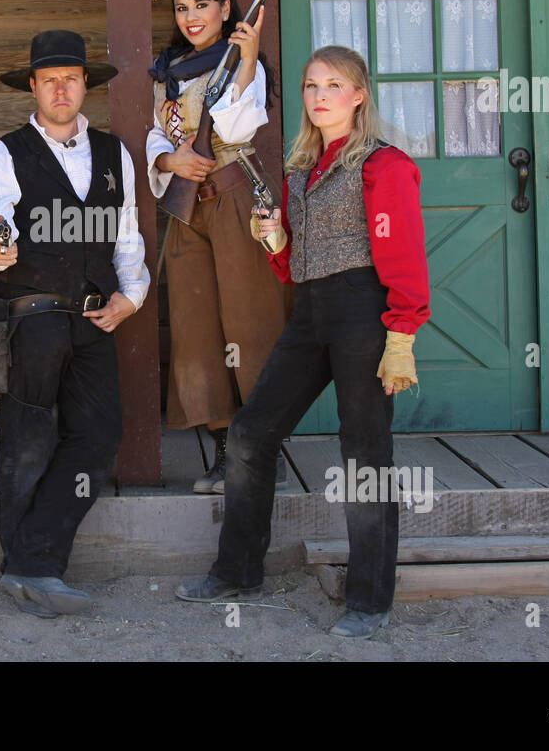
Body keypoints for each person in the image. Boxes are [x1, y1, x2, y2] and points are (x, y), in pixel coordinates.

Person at [175, 45, 431, 640]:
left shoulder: (384, 164)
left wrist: (402, 332)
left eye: (334, 85)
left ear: (359, 96)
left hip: (365, 312)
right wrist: (275, 240)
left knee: (364, 454)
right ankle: (238, 571)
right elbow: (293, 268)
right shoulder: (300, 169)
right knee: (249, 434)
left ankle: (369, 599)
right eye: (312, 85)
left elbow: (403, 253)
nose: (320, 96)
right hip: (311, 313)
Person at [0, 30, 150, 619]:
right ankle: (31, 566)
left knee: (99, 436)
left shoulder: (114, 154)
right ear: (33, 87)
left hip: (95, 316)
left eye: (71, 78)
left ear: (84, 84)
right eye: (50, 80)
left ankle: (29, 563)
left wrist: (132, 295)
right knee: (27, 440)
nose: (61, 89)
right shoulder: (7, 154)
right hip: (33, 317)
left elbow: (126, 233)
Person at [146, 0, 289, 493]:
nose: (191, 17)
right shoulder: (168, 70)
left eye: (202, 5)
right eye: (182, 7)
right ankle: (226, 449)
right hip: (188, 207)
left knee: (250, 326)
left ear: (226, 9)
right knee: (197, 329)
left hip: (234, 201)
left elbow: (235, 124)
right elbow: (155, 136)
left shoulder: (243, 63)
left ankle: (260, 452)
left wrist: (247, 61)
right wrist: (170, 162)